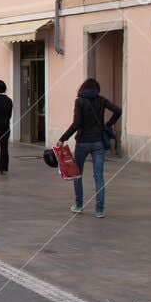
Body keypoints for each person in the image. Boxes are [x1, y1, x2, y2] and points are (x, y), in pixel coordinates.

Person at [57, 77, 122, 217]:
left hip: (82, 142)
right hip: (98, 142)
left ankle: (79, 205)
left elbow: (76, 123)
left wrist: (63, 139)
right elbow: (118, 110)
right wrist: (109, 124)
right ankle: (99, 210)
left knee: (77, 174)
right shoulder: (101, 100)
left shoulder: (79, 101)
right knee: (99, 176)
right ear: (96, 89)